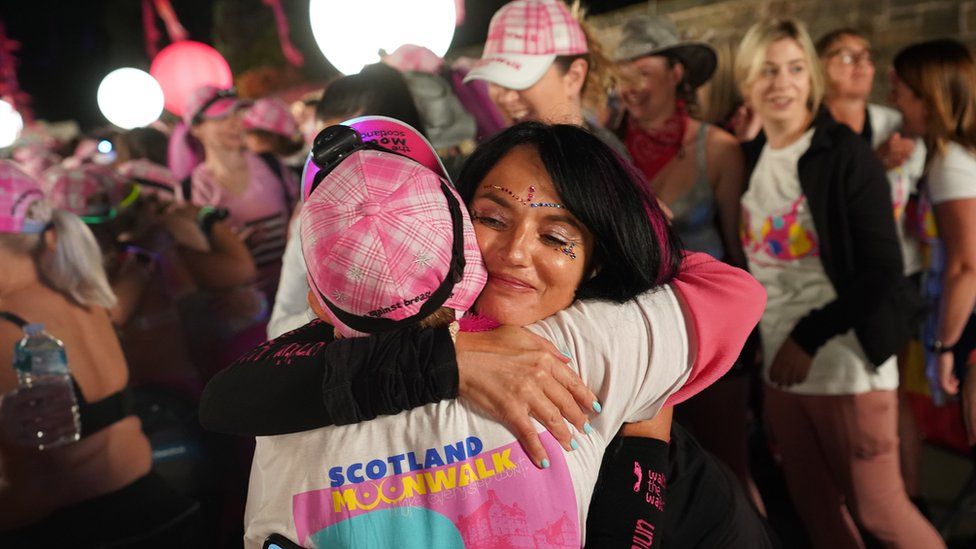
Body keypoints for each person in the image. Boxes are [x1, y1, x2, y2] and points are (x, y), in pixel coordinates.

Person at [200, 120, 764, 547]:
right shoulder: (393, 326)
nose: (516, 253)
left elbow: (735, 292)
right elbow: (232, 398)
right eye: (492, 219)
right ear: (453, 219)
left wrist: (647, 422)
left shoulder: (601, 330)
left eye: (557, 235)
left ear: (597, 261)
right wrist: (452, 357)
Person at [736, 18, 942, 548]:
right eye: (767, 70)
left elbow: (882, 271)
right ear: (746, 81)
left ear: (812, 78)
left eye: (795, 69)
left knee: (882, 514)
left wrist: (809, 336)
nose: (782, 83)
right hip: (781, 364)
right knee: (817, 514)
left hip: (844, 360)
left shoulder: (844, 154)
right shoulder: (753, 157)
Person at [0, 161, 200, 546]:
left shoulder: (9, 325)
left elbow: (42, 480)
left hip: (86, 528)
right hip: (158, 503)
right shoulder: (83, 296)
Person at [817, 26, 930, 511]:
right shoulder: (809, 129)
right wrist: (870, 171)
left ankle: (904, 501)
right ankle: (848, 504)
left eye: (865, 56)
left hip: (891, 278)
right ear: (820, 68)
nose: (860, 65)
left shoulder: (894, 124)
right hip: (824, 281)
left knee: (890, 395)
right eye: (845, 57)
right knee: (835, 399)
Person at [266, 64, 428, 339]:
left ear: (403, 136)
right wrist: (328, 309)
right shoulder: (309, 223)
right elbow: (276, 329)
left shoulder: (455, 205)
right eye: (326, 153)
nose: (342, 167)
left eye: (358, 148)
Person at [892, 40, 976, 446]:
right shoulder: (953, 155)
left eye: (901, 90)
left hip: (968, 323)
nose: (894, 101)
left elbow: (966, 265)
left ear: (928, 99)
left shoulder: (952, 164)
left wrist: (945, 345)